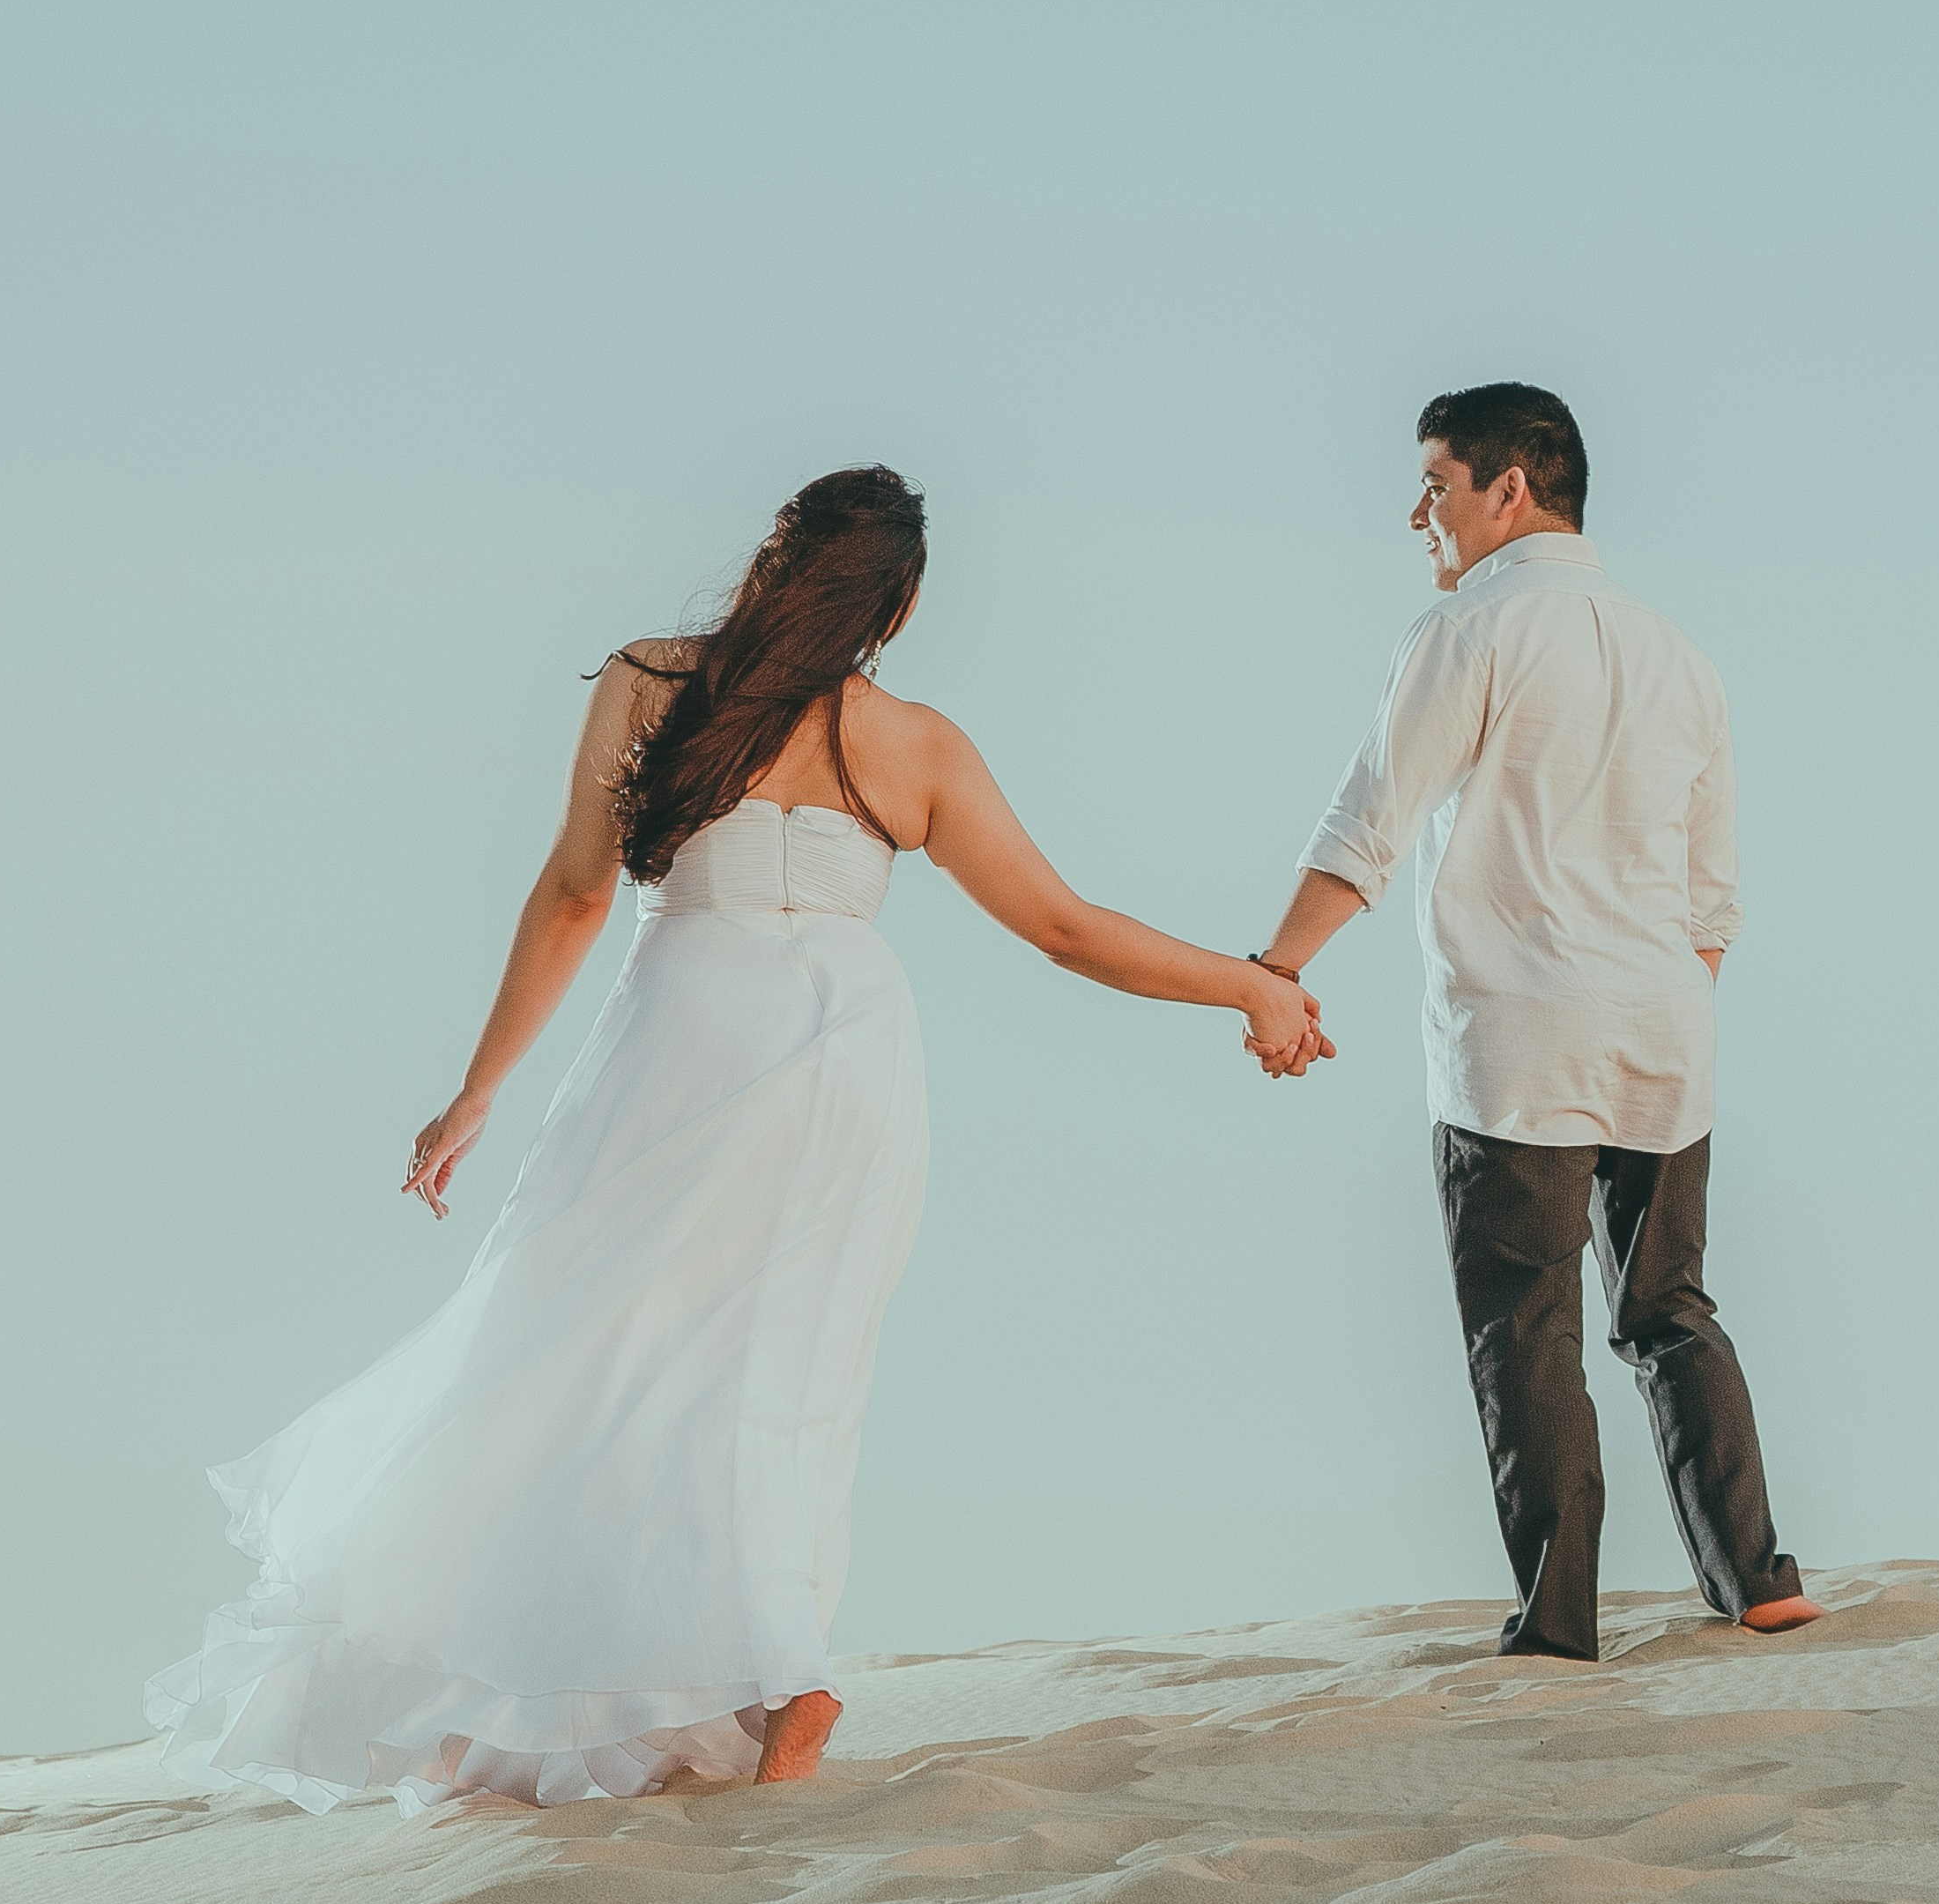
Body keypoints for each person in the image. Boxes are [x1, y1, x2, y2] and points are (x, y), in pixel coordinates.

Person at [145, 465, 1328, 1813]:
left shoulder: (653, 680)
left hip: (687, 1034)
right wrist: (1253, 985)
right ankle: (776, 1669)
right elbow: (1064, 929)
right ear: (903, 599)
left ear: (777, 556)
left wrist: (476, 1091)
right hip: (847, 1056)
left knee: (587, 1343)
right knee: (787, 1374)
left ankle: (686, 1669)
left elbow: (580, 890)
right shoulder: (917, 746)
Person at [1252, 383, 1815, 1662]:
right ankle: (1757, 1575)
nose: (1420, 514)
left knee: (1525, 1323)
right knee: (1671, 1305)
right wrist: (1648, 1000)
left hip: (1516, 1038)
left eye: (1438, 484)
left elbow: (1369, 825)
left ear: (1510, 490)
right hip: (1668, 1028)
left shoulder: (1468, 632)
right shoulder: (1681, 653)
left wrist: (1271, 970)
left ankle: (1560, 1624)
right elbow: (1714, 901)